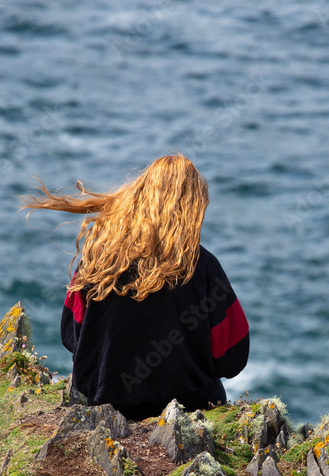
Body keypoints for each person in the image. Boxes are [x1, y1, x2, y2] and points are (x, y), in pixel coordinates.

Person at [21, 154, 249, 420]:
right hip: (187, 409)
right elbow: (233, 357)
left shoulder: (99, 258)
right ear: (192, 209)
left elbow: (71, 336)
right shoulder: (205, 267)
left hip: (106, 406)